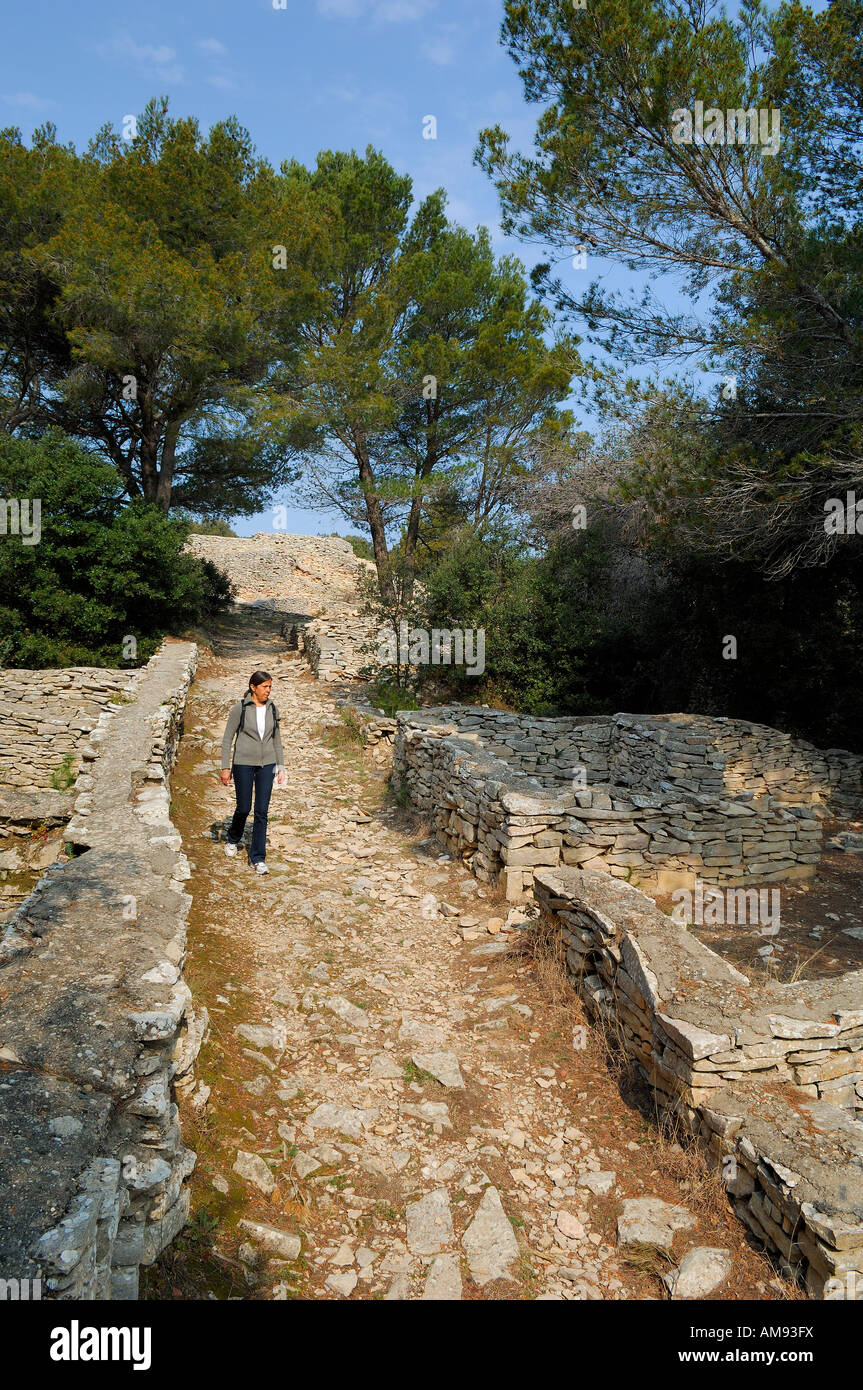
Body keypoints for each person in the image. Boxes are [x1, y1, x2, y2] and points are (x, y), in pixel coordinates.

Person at [220, 669, 286, 875]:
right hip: (243, 763)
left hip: (267, 763)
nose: (268, 691)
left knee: (262, 811)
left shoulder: (273, 709)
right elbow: (227, 738)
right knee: (244, 807)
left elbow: (277, 739)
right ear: (253, 687)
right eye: (265, 687)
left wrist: (281, 767)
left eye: (270, 687)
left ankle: (257, 858)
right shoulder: (240, 708)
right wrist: (225, 767)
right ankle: (233, 838)